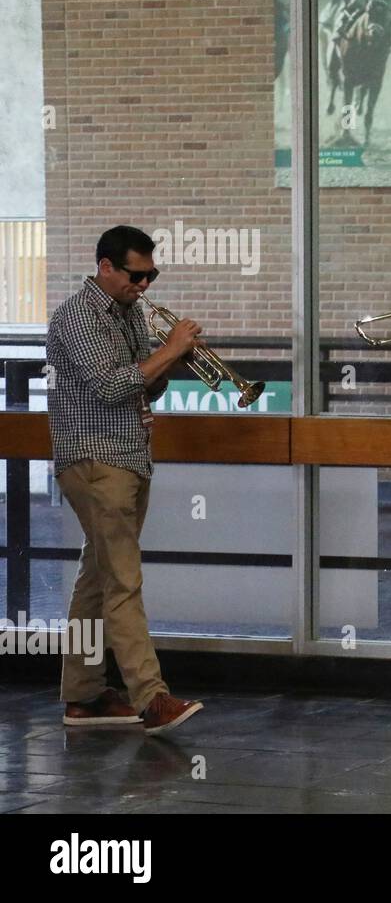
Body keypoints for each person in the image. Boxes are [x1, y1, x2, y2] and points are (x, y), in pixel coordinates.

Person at [45, 225, 206, 735]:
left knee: (96, 579)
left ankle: (84, 695)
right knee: (123, 579)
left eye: (151, 275)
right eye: (136, 275)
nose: (144, 286)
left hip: (129, 457)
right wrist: (171, 346)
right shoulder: (77, 315)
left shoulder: (131, 312)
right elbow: (113, 385)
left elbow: (145, 387)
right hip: (95, 460)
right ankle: (151, 698)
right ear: (106, 266)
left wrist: (175, 359)